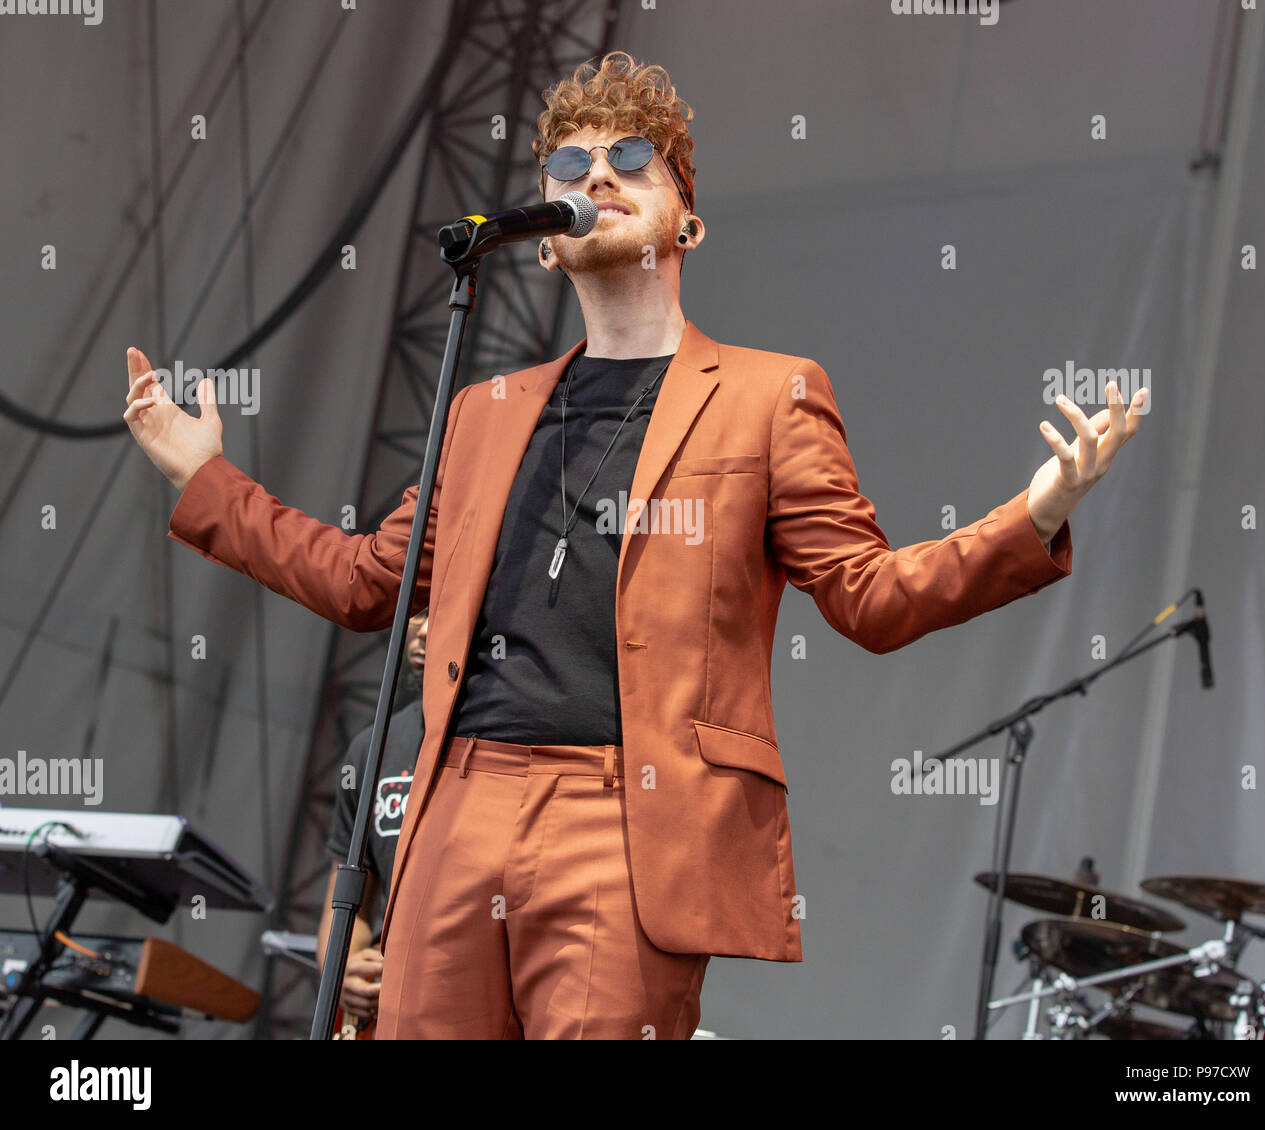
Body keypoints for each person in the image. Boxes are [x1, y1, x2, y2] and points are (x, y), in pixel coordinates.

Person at [122, 51, 1146, 1039]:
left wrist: (1036, 511)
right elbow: (363, 581)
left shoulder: (766, 396)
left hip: (624, 813)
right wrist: (202, 477)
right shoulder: (482, 411)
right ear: (542, 239)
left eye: (629, 162)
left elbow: (870, 596)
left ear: (686, 218)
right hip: (457, 801)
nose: (595, 178)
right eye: (568, 167)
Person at [316, 609, 426, 1035]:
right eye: (417, 614)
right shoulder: (373, 747)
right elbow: (346, 902)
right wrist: (341, 969)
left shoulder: (504, 745)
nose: (424, 632)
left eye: (440, 611)